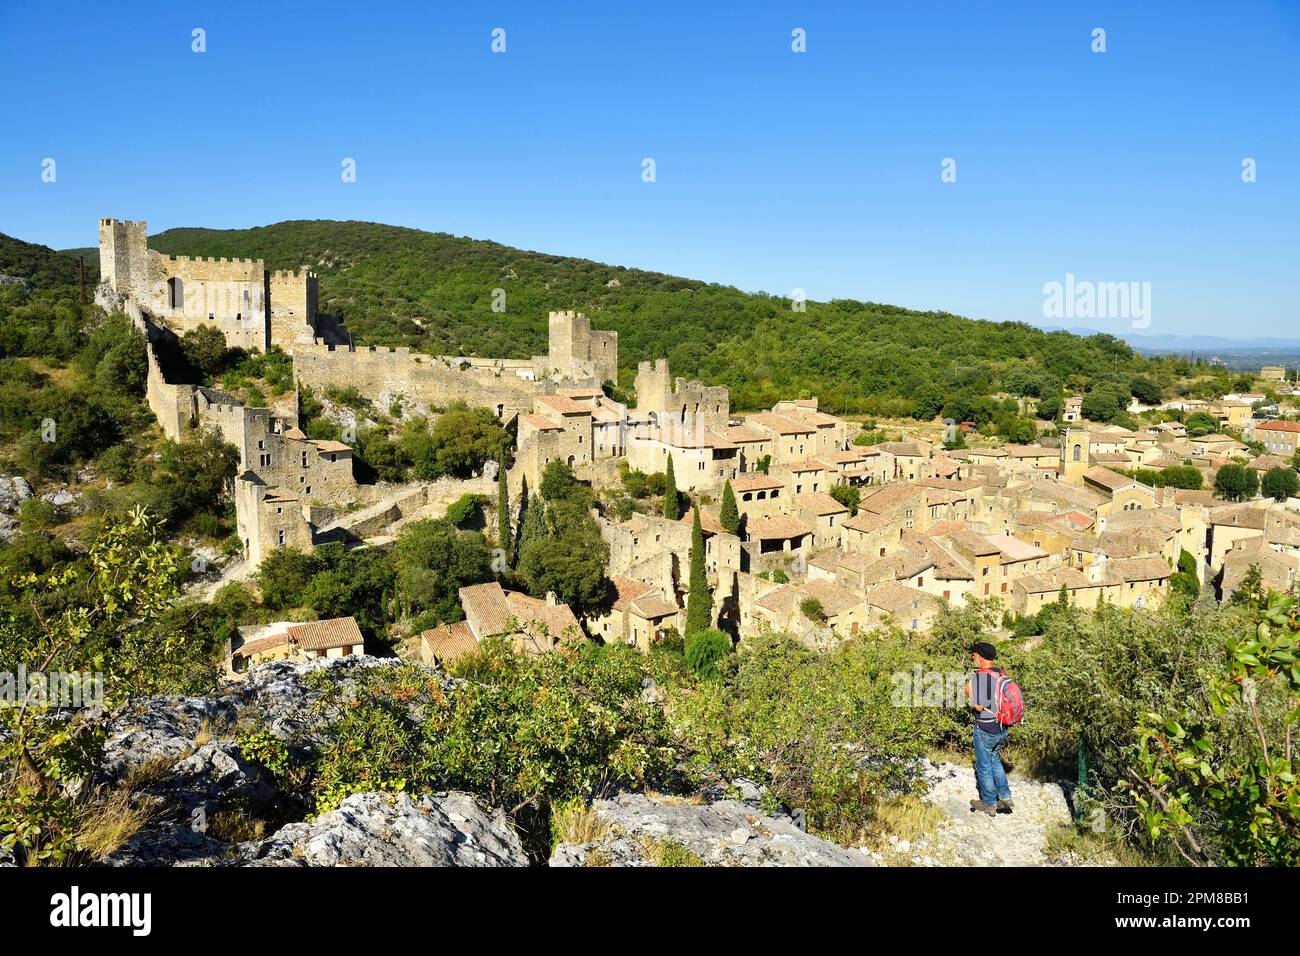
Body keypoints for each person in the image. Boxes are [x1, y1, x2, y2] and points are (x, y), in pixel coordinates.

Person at [965, 641, 1013, 816]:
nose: (972, 658)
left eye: (973, 655)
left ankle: (989, 803)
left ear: (978, 656)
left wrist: (968, 692)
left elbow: (978, 706)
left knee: (984, 766)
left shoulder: (980, 676)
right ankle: (1006, 797)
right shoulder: (1000, 672)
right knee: (994, 761)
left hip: (986, 727)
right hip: (1002, 726)